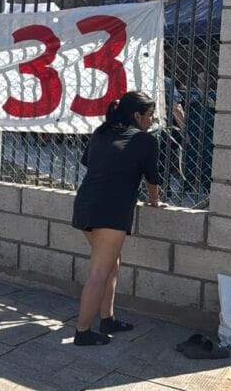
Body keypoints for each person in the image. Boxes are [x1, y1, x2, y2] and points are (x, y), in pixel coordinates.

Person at [71, 91, 161, 346]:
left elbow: (93, 164)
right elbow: (152, 179)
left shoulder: (101, 132)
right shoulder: (145, 141)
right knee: (99, 271)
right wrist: (153, 201)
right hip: (111, 211)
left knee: (112, 263)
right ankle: (83, 331)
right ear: (137, 115)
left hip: (85, 204)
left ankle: (107, 318)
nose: (151, 121)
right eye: (150, 115)